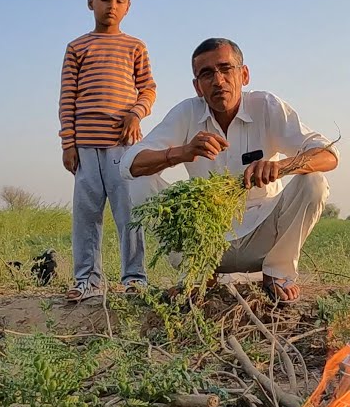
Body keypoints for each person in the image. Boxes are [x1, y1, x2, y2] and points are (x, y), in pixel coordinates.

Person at [121, 37, 337, 304]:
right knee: (139, 183)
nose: (218, 80)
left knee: (314, 182)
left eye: (226, 69)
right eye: (207, 73)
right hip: (207, 241)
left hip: (263, 234)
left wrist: (281, 166)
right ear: (197, 86)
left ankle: (277, 273)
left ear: (244, 75)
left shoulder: (266, 107)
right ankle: (198, 275)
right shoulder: (187, 113)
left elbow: (328, 154)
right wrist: (181, 152)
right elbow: (129, 165)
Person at [58, 0, 156, 302]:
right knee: (86, 216)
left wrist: (135, 113)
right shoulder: (77, 48)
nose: (111, 6)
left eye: (119, 0)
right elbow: (67, 97)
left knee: (129, 214)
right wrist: (67, 143)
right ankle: (87, 280)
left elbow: (148, 89)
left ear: (128, 6)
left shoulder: (135, 47)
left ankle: (135, 278)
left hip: (124, 147)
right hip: (85, 146)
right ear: (90, 2)